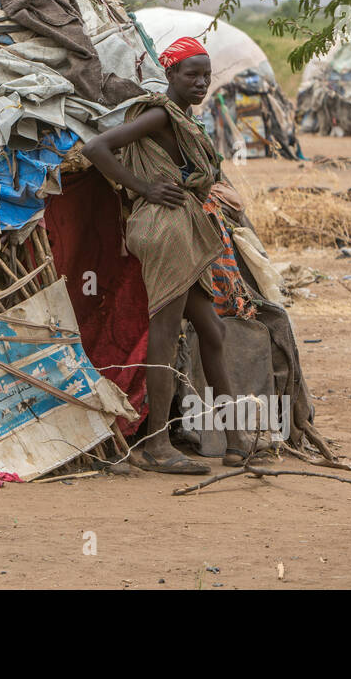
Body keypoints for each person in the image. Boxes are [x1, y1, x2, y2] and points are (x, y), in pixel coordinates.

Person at [82, 35, 255, 474]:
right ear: (170, 74)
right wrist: (143, 188)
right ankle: (157, 445)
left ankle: (235, 440)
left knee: (211, 330)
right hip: (165, 227)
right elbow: (95, 148)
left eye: (205, 75)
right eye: (190, 74)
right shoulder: (159, 114)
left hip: (186, 228)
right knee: (163, 332)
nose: (200, 82)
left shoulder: (183, 119)